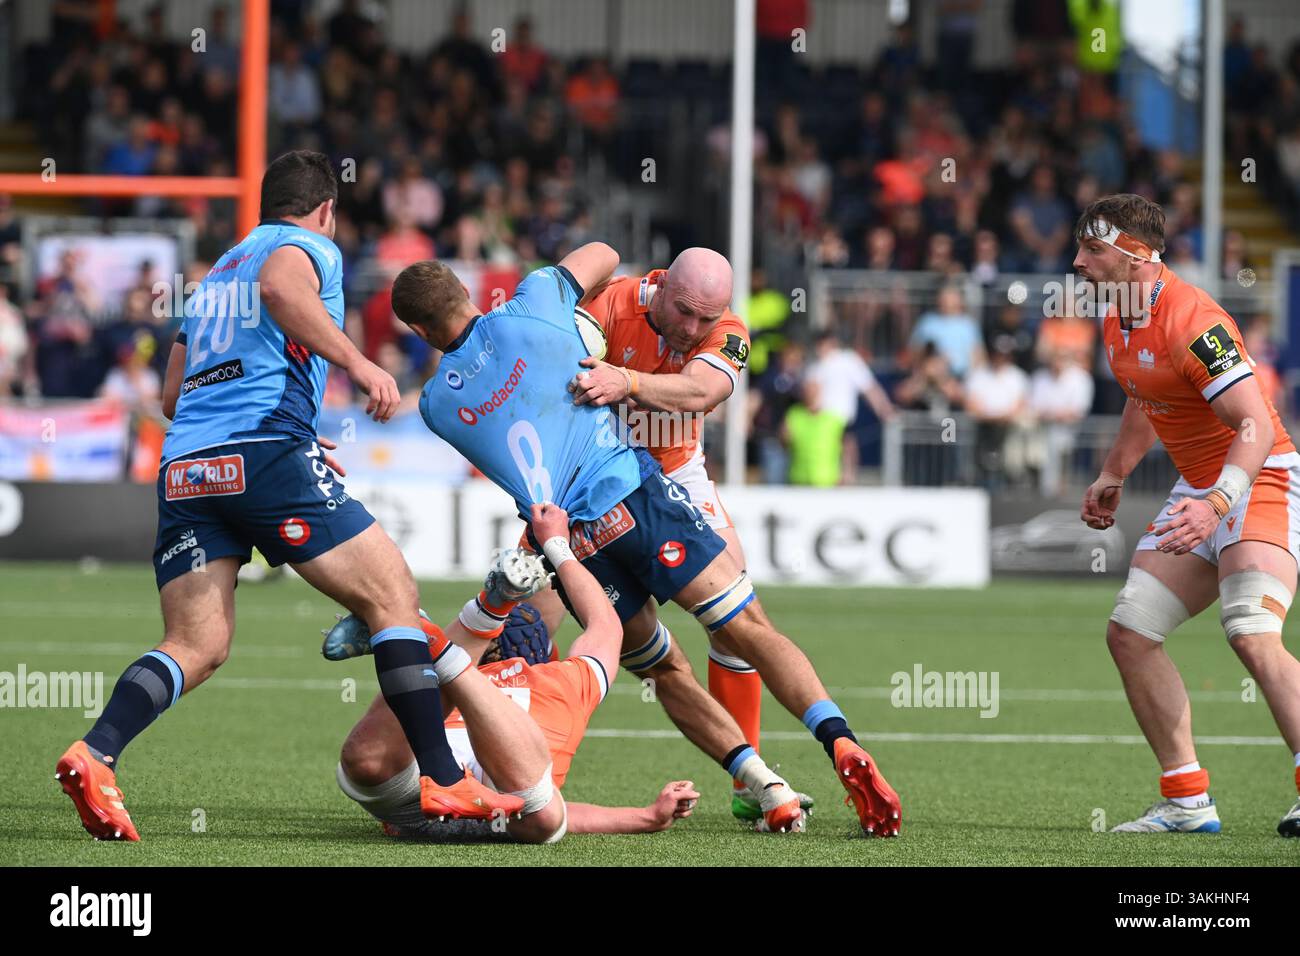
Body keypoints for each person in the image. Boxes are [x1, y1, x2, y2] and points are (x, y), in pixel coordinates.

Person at [54, 151, 538, 842]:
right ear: (325, 211)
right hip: (263, 453)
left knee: (197, 643)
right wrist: (356, 361)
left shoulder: (220, 273)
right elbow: (284, 291)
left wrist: (285, 427)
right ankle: (443, 779)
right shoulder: (302, 246)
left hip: (190, 465)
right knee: (392, 596)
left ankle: (95, 753)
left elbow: (172, 394)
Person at [390, 242, 902, 837]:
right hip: (635, 493)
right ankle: (825, 749)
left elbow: (700, 390)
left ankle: (758, 781)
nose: (693, 326)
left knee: (658, 665)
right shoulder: (540, 304)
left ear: (420, 330)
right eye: (682, 310)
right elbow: (601, 252)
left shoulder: (436, 404)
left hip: (571, 535)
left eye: (703, 317)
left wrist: (619, 371)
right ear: (466, 290)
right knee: (744, 627)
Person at [1076, 193, 1300, 837]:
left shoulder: (1194, 320)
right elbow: (1147, 395)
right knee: (1131, 632)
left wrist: (1220, 502)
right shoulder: (1118, 313)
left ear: (1138, 257)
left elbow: (1253, 422)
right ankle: (1186, 802)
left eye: (1093, 250)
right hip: (1200, 490)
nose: (1078, 262)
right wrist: (1114, 471)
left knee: (1251, 629)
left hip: (1258, 483)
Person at [330, 504, 702, 843]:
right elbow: (606, 625)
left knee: (368, 759)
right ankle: (437, 638)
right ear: (543, 653)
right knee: (547, 816)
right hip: (513, 810)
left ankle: (437, 628)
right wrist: (559, 547)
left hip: (417, 795)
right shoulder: (566, 681)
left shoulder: (430, 682)